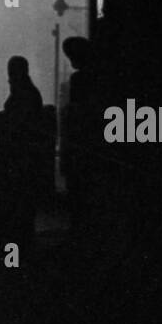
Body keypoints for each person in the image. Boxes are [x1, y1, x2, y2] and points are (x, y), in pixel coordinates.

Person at [0, 55, 44, 255]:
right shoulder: (29, 92)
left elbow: (18, 125)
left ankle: (11, 249)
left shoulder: (22, 93)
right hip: (20, 158)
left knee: (13, 202)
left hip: (15, 158)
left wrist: (0, 120)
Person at [61, 37, 96, 224]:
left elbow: (75, 115)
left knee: (77, 192)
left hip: (78, 145)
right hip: (86, 145)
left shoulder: (79, 80)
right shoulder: (96, 78)